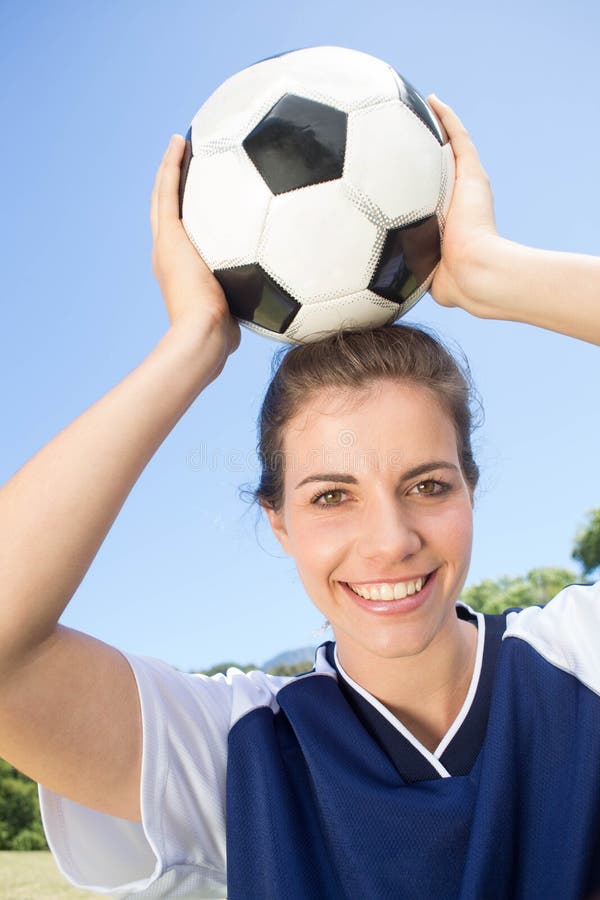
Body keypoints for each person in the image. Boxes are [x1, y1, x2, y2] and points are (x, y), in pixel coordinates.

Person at [0, 95, 598, 900]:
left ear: (469, 490)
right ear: (277, 521)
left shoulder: (579, 660)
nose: (389, 541)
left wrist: (495, 274)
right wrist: (192, 346)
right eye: (331, 497)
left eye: (426, 484)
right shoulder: (235, 750)